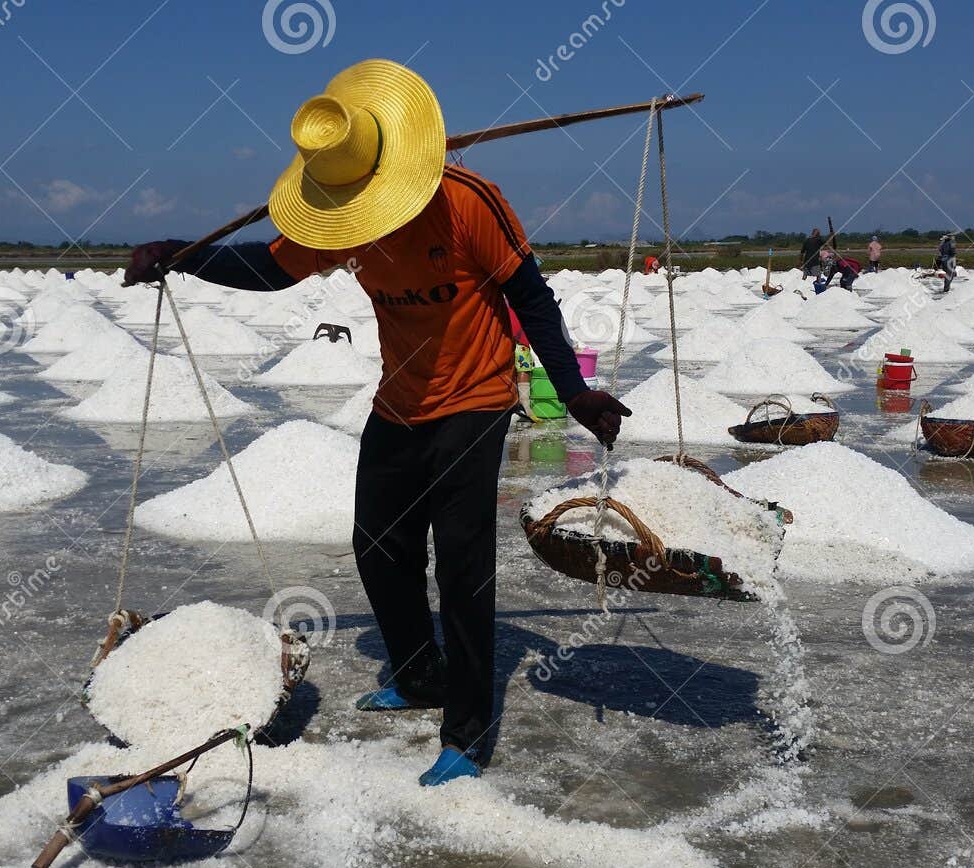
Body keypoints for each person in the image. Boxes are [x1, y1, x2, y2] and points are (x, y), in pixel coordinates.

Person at [123, 60, 630, 787]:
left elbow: (533, 297)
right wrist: (186, 254)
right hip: (400, 401)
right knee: (379, 547)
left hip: (477, 399)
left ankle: (469, 730)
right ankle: (420, 674)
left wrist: (573, 391)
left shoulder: (467, 202)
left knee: (462, 566)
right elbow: (273, 267)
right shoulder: (340, 212)